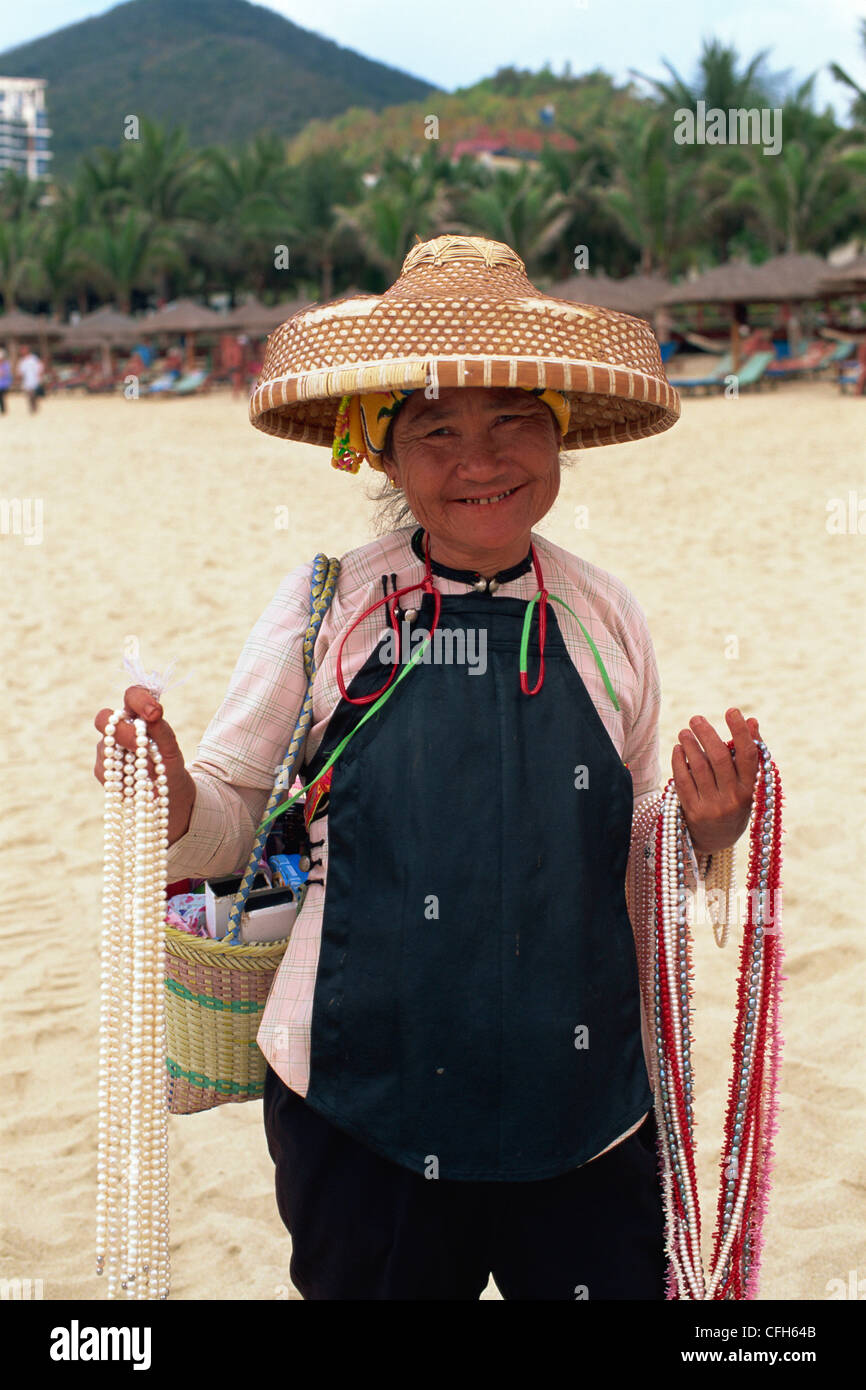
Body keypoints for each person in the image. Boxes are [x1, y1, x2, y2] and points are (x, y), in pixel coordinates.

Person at [93, 235, 759, 1300]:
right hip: (360, 1108)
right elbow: (219, 823)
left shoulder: (602, 616)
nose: (477, 461)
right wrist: (160, 775)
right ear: (384, 456)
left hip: (580, 1108)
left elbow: (629, 854)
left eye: (511, 423)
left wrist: (704, 827)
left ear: (559, 439)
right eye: (435, 430)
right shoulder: (329, 609)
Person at [15, 345, 44, 413]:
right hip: (26, 381)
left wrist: (39, 376)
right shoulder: (22, 361)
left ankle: (34, 408)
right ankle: (32, 408)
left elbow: (40, 367)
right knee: (29, 395)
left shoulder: (33, 359)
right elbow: (20, 371)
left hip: (34, 379)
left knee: (33, 394)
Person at [0, 348, 11, 413]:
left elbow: (4, 373)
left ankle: (3, 410)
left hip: (4, 384)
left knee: (2, 397)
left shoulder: (6, 364)